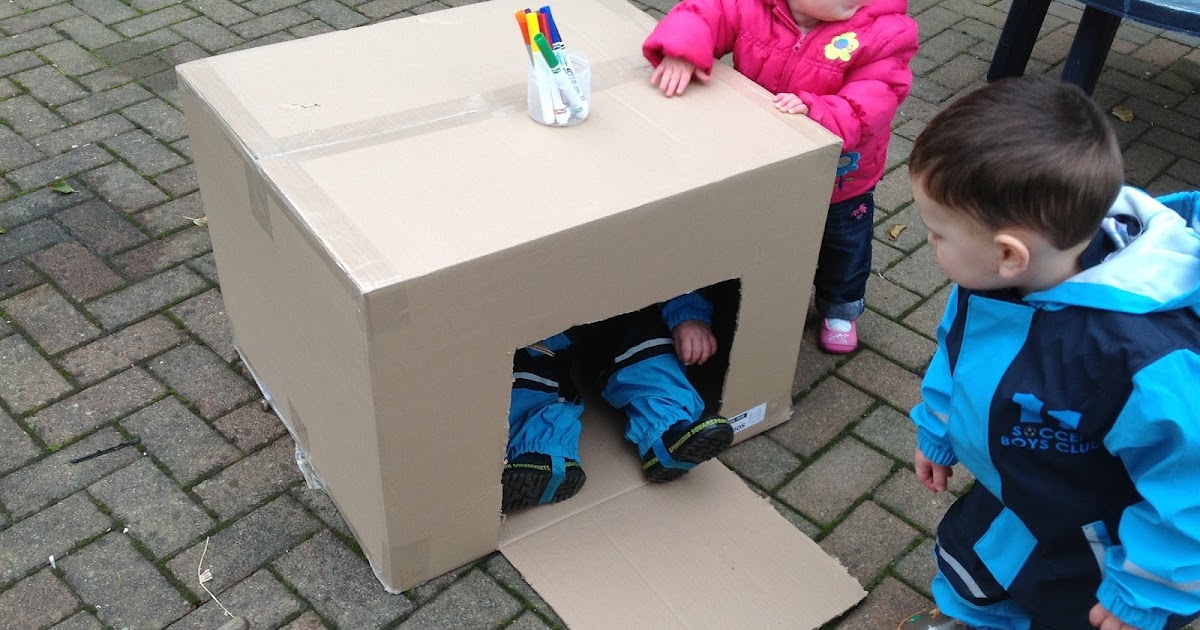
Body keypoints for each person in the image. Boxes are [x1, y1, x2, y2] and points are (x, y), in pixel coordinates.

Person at [900, 75, 1200, 630]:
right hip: (1021, 493)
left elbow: (1190, 491)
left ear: (1009, 253)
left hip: (1103, 547)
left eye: (937, 233)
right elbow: (958, 352)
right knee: (976, 571)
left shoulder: (1141, 362)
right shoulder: (993, 281)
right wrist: (938, 429)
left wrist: (1144, 595)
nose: (931, 244)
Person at [643, 0, 918, 353]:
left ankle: (841, 306)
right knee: (748, 228)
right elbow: (704, 12)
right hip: (766, 161)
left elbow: (877, 95)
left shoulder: (886, 31)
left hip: (840, 179)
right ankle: (739, 290)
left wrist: (819, 111)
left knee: (843, 245)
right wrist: (683, 51)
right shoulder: (753, 7)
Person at [501, 291, 733, 512]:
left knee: (651, 353)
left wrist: (687, 314)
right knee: (529, 374)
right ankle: (542, 452)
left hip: (625, 310)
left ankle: (667, 431)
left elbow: (669, 261)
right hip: (547, 324)